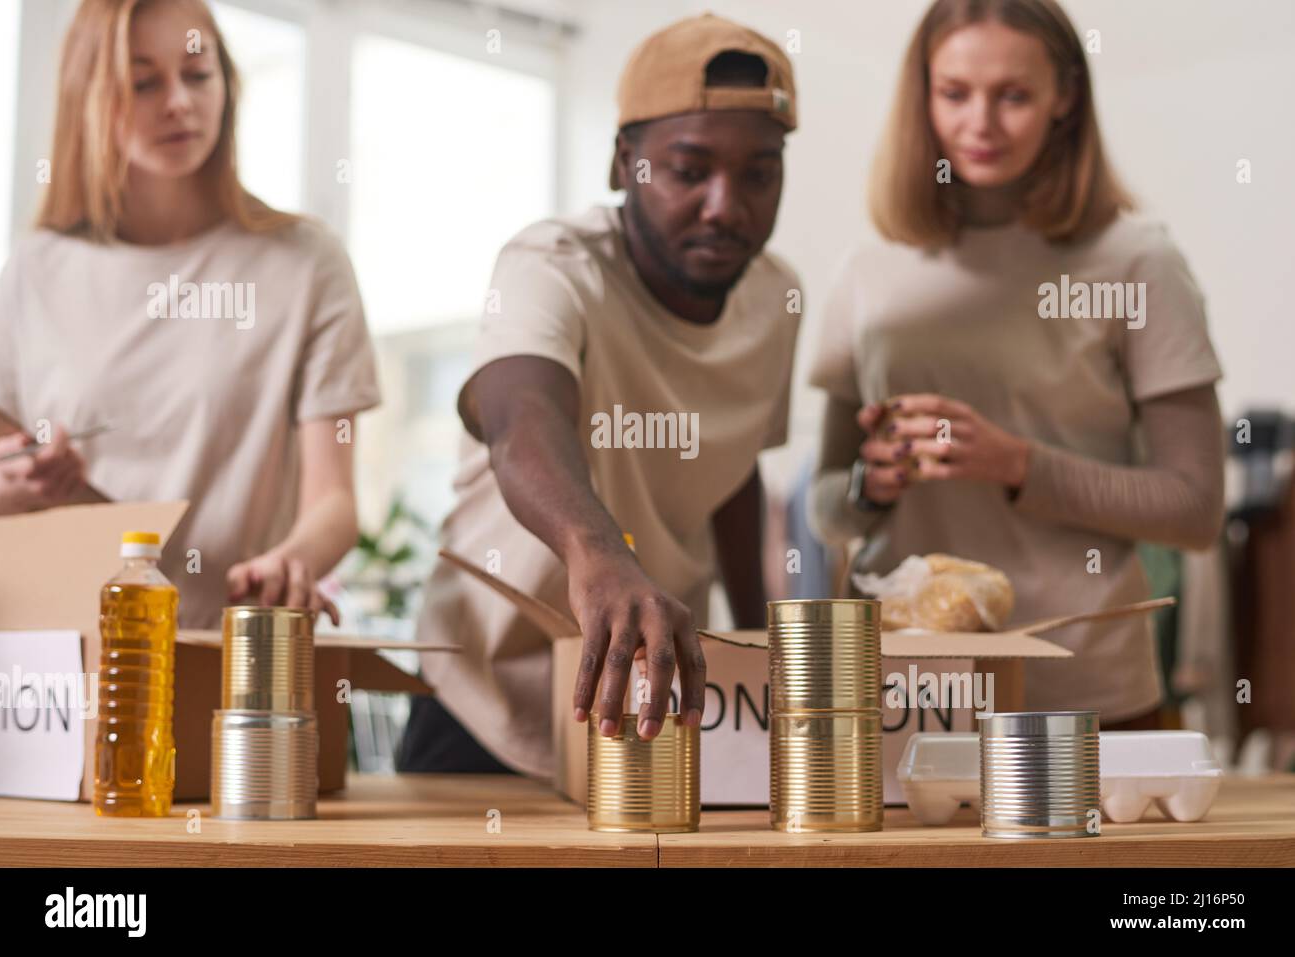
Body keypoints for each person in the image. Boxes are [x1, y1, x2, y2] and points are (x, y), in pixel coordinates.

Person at [398, 14, 802, 776]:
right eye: (689, 169)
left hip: (648, 693)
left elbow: (732, 470)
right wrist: (602, 555)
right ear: (626, 164)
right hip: (485, 696)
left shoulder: (777, 299)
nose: (726, 205)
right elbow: (521, 418)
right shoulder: (551, 266)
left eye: (759, 173)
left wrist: (760, 648)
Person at [808, 0, 1225, 731]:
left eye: (1014, 96)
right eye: (954, 93)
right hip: (904, 694)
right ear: (922, 95)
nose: (981, 124)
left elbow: (1194, 509)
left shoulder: (1137, 260)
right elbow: (824, 505)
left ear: (1065, 97)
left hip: (1084, 689)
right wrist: (868, 487)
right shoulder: (868, 272)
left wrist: (1018, 464)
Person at [0, 0, 380, 627]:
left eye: (198, 74)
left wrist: (291, 561)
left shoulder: (306, 264)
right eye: (144, 83)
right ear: (89, 98)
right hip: (66, 654)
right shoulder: (35, 270)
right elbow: (3, 472)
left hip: (229, 651)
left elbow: (333, 503)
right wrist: (14, 487)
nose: (178, 102)